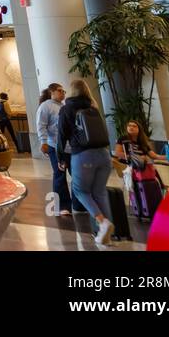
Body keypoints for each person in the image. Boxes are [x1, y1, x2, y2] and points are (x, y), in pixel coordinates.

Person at [57, 79, 115, 245]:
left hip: (83, 155)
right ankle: (105, 236)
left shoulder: (67, 108)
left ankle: (102, 223)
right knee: (100, 192)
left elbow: (62, 135)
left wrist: (61, 158)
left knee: (80, 190)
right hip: (104, 154)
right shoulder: (93, 107)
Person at [35, 83, 72, 215]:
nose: (63, 93)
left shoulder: (64, 106)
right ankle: (63, 206)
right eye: (60, 91)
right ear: (52, 91)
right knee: (59, 175)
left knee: (75, 174)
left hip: (68, 147)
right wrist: (43, 142)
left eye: (64, 91)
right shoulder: (45, 106)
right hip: (54, 146)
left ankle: (78, 204)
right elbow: (41, 125)